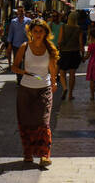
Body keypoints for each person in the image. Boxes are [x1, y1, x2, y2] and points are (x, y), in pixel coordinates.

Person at [12, 20, 60, 168]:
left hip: (44, 89)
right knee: (26, 122)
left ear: (46, 32)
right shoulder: (24, 47)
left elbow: (53, 69)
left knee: (43, 122)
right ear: (30, 32)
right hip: (25, 89)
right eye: (35, 31)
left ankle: (45, 155)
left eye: (41, 31)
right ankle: (28, 153)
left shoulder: (50, 48)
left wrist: (54, 82)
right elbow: (14, 67)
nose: (38, 34)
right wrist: (23, 72)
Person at [56, 10, 84, 100]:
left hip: (65, 52)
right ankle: (70, 94)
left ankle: (65, 88)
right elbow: (81, 44)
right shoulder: (79, 29)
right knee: (72, 74)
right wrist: (83, 54)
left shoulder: (63, 27)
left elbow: (59, 41)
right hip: (75, 53)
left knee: (62, 72)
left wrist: (59, 48)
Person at [6, 3, 30, 86]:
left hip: (26, 45)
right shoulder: (13, 22)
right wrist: (9, 44)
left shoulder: (28, 21)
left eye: (22, 11)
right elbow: (11, 33)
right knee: (17, 63)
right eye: (19, 11)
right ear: (17, 12)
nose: (21, 12)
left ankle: (26, 78)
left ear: (24, 11)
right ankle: (19, 79)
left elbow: (30, 33)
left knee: (26, 62)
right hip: (16, 45)